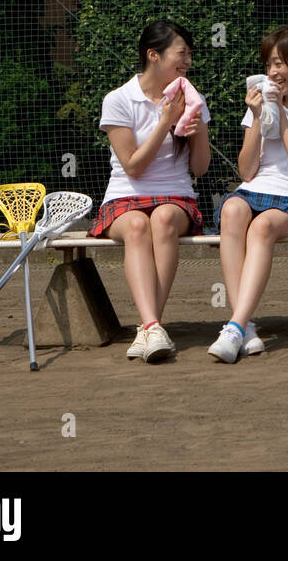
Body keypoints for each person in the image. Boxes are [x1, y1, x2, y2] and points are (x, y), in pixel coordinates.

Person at [207, 25, 288, 362]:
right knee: (232, 211)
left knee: (263, 226)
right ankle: (245, 327)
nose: (273, 72)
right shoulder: (260, 106)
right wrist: (257, 116)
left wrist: (280, 115)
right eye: (269, 64)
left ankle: (235, 325)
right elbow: (247, 171)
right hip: (255, 189)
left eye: (280, 63)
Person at [89, 21, 211, 362]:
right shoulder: (118, 99)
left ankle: (149, 326)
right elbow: (133, 166)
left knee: (162, 220)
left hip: (176, 195)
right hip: (124, 195)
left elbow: (200, 168)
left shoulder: (192, 99)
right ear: (153, 55)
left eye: (189, 53)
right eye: (180, 53)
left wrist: (197, 125)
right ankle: (153, 325)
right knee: (139, 226)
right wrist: (164, 121)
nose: (187, 61)